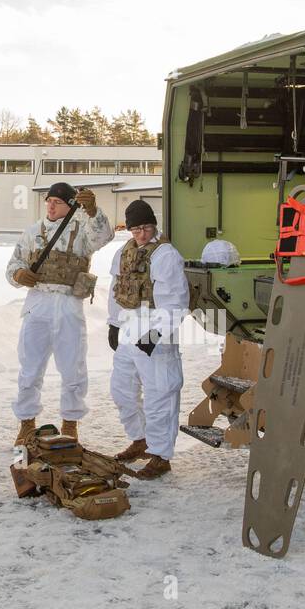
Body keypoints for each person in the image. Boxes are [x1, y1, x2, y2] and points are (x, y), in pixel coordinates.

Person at [6, 183, 113, 446]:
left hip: (68, 305)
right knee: (30, 367)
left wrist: (93, 211)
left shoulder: (83, 231)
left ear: (70, 205)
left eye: (58, 202)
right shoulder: (33, 232)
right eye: (49, 201)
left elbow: (105, 236)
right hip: (38, 303)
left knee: (73, 367)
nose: (51, 206)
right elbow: (14, 264)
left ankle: (70, 424)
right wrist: (19, 275)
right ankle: (27, 424)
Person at [106, 200, 188, 479]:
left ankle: (160, 455)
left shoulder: (166, 255)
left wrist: (154, 335)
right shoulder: (124, 251)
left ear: (154, 225)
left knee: (160, 394)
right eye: (135, 228)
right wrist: (114, 324)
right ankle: (140, 440)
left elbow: (177, 302)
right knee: (122, 391)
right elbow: (116, 289)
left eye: (146, 227)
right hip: (129, 327)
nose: (141, 233)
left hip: (154, 328)